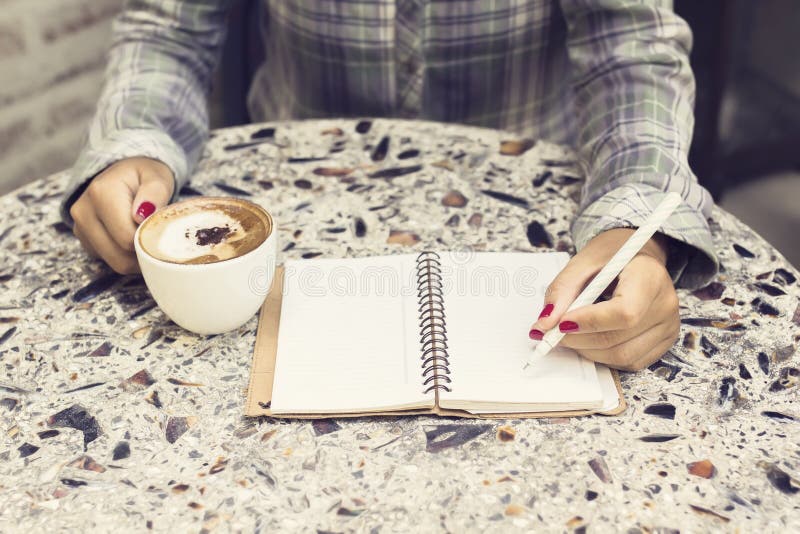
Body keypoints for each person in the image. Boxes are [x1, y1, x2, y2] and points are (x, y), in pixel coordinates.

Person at [61, 0, 718, 371]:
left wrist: (635, 222)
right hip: (293, 204)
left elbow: (630, 48)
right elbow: (171, 28)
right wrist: (136, 141)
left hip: (534, 214)